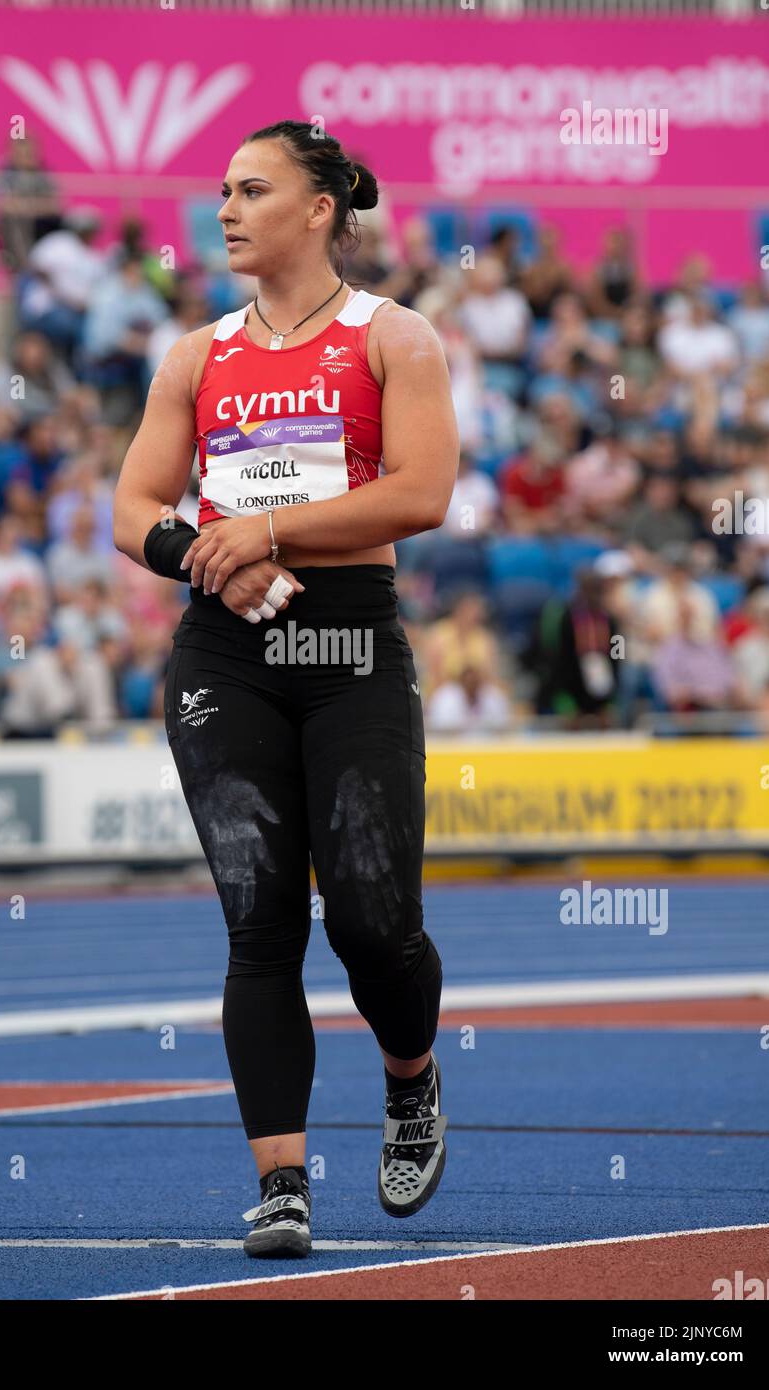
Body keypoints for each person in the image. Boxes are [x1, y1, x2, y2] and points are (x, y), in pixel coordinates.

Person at [113, 120, 458, 1258]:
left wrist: (263, 527)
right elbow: (132, 510)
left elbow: (420, 494)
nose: (224, 208)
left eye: (250, 189)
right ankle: (281, 1181)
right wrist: (205, 555)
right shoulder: (195, 354)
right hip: (226, 652)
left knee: (370, 918)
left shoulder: (391, 337)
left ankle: (409, 1079)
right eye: (220, 190)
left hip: (349, 648)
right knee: (259, 921)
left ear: (319, 209)